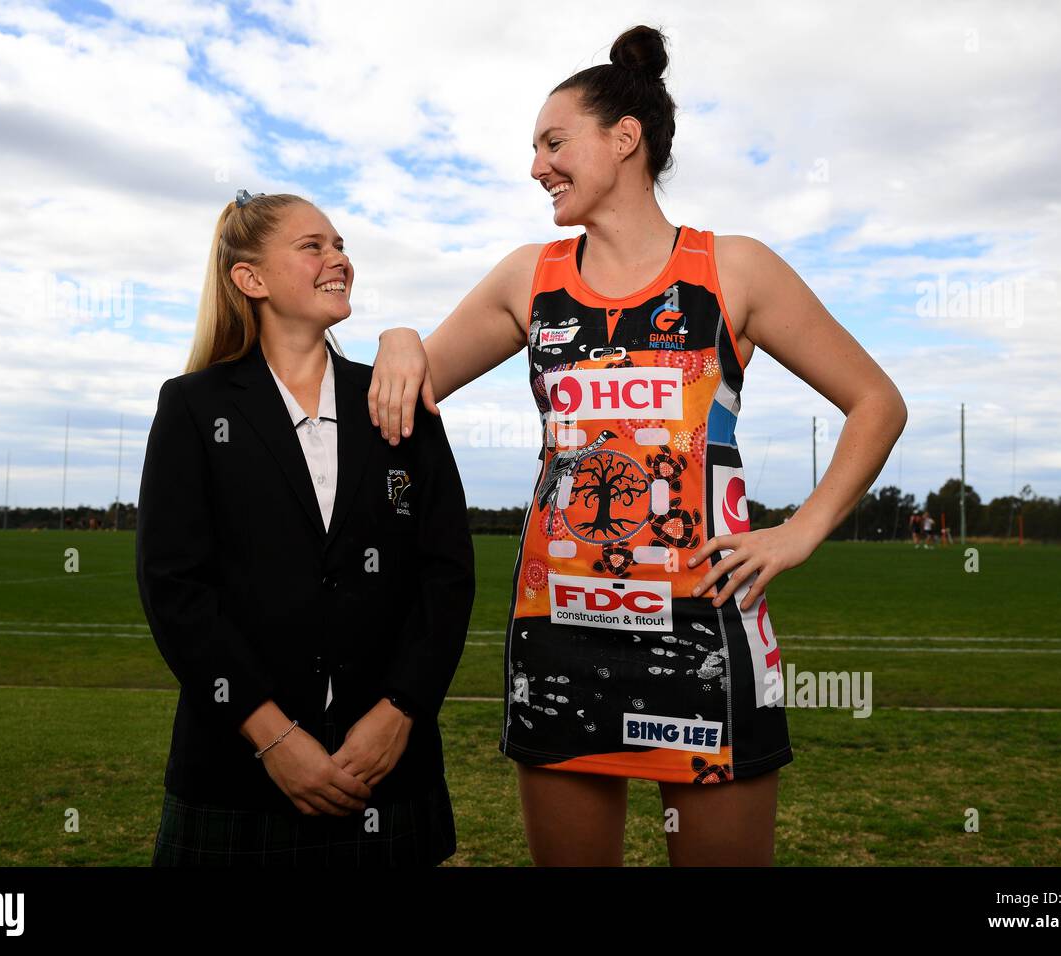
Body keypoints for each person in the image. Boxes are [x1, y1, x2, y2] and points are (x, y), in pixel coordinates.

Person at [369, 25, 907, 866]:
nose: (536, 166)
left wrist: (799, 531)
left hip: (705, 635)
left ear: (626, 140)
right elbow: (404, 389)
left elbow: (875, 401)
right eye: (535, 148)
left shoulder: (734, 269)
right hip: (558, 636)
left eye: (554, 142)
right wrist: (401, 336)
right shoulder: (528, 278)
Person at [136, 189, 475, 866]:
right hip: (236, 782)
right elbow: (176, 589)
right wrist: (274, 739)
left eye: (341, 245)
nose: (338, 259)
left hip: (385, 777)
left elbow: (446, 576)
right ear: (251, 279)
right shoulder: (193, 406)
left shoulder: (396, 396)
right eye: (313, 246)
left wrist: (399, 712)